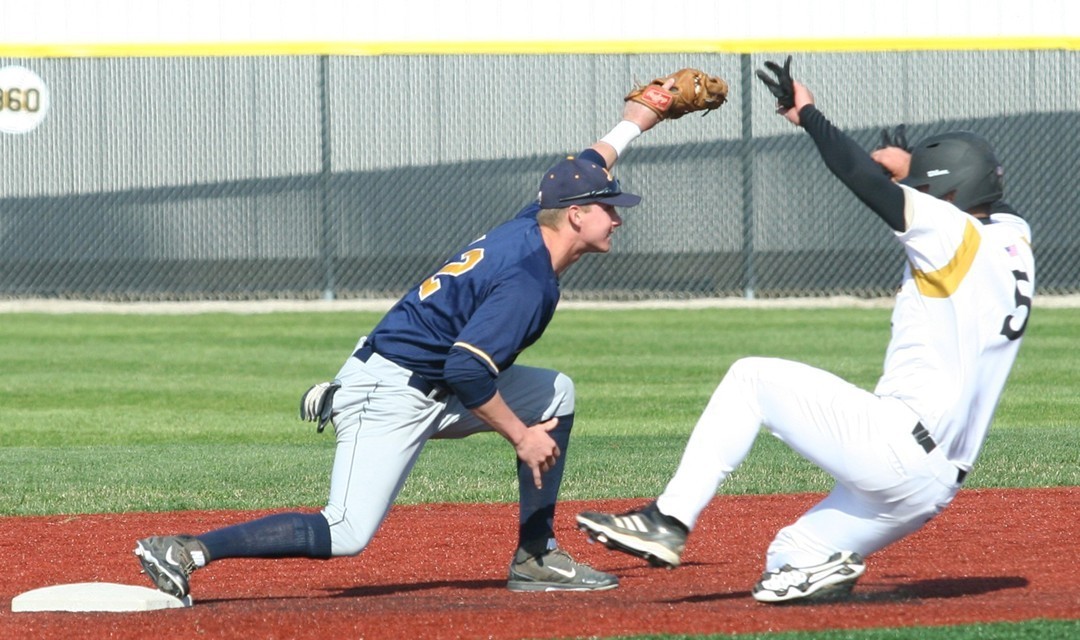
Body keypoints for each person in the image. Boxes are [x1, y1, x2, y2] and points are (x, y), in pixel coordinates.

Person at [134, 85, 673, 598]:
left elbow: (588, 162)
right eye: (609, 208)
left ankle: (536, 557)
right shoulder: (527, 281)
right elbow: (467, 370)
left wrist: (641, 117)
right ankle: (185, 550)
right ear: (576, 215)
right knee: (345, 530)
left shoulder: (536, 219)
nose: (618, 217)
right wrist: (520, 436)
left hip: (427, 380)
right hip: (396, 390)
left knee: (555, 392)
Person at [576, 57, 1035, 604]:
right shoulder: (1012, 235)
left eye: (922, 190)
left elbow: (863, 180)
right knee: (788, 560)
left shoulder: (949, 231)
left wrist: (809, 114)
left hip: (897, 447)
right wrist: (917, 165)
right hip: (930, 487)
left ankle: (667, 519)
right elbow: (966, 191)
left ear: (950, 198)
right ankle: (817, 571)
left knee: (751, 378)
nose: (913, 196)